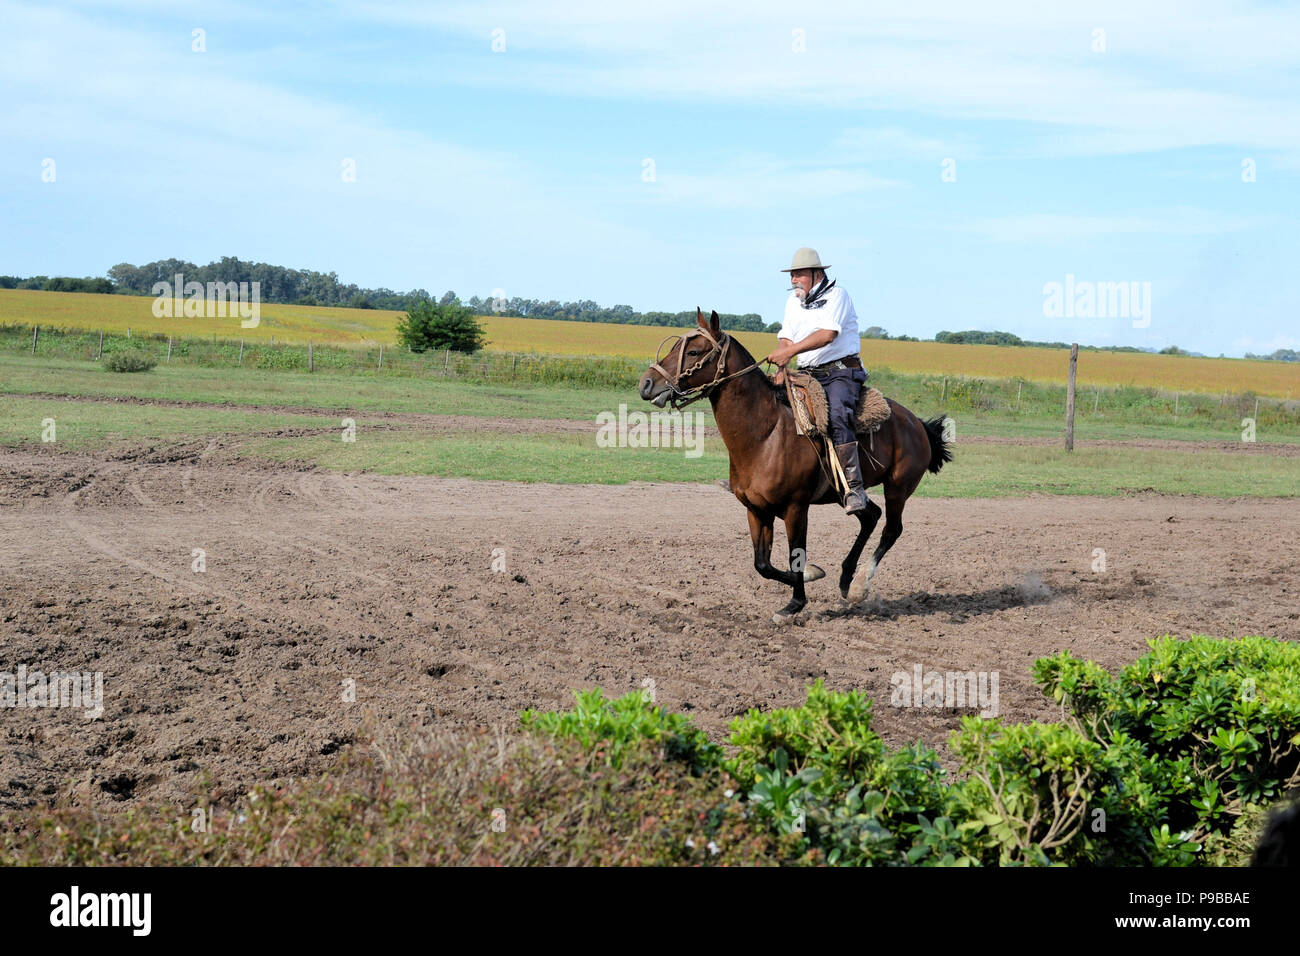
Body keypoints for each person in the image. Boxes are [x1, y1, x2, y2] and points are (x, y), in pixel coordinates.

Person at [764, 247, 868, 515]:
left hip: (840, 372)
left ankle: (853, 488)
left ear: (817, 273)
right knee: (768, 406)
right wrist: (784, 361)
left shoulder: (838, 295)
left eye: (799, 274)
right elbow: (787, 336)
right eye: (792, 275)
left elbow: (827, 334)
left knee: (837, 414)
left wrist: (789, 351)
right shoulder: (794, 302)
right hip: (806, 372)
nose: (794, 280)